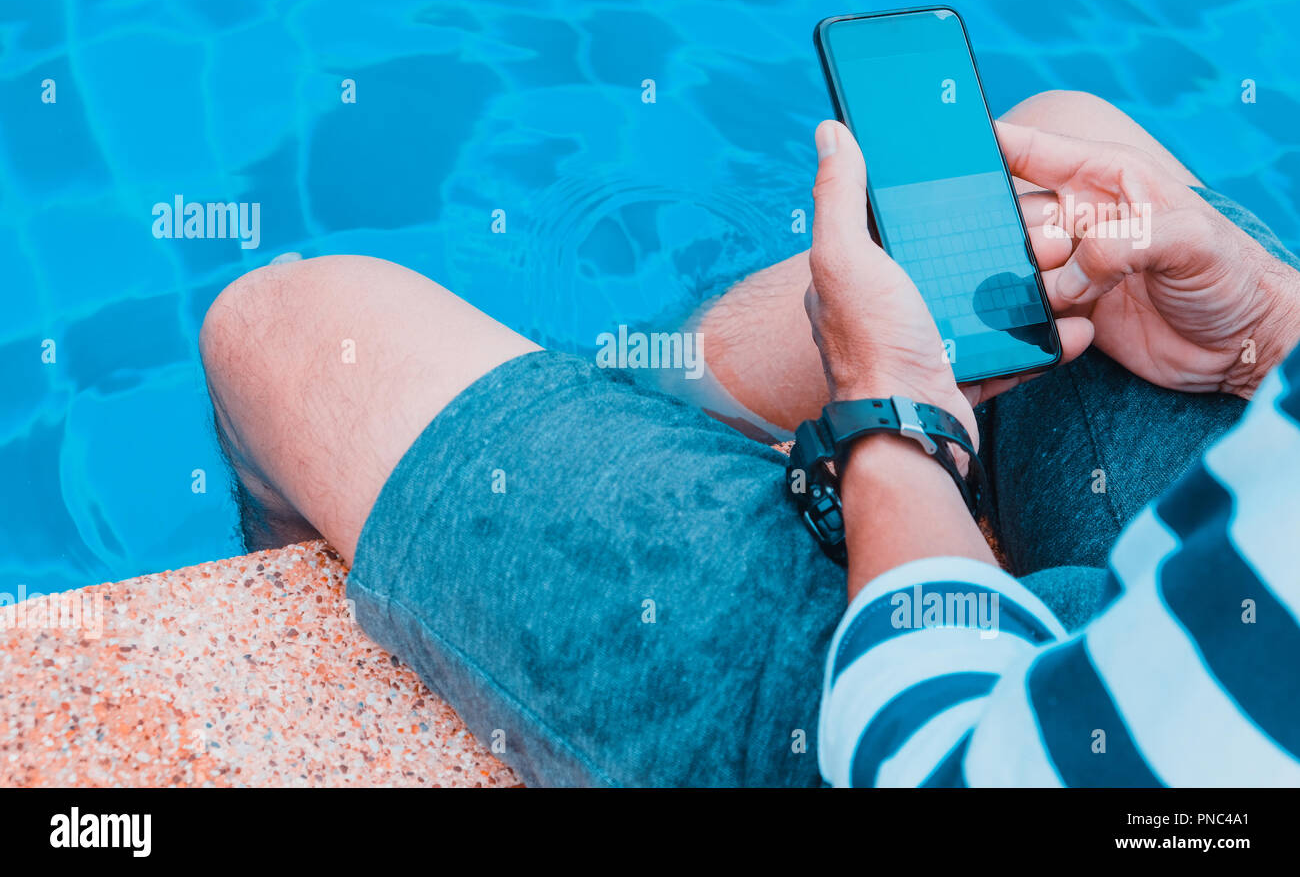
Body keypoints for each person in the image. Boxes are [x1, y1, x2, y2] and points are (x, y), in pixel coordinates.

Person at [199, 90, 1300, 786]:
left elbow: (935, 757)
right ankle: (650, 403)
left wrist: (893, 422)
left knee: (287, 328)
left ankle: (419, 584)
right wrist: (1262, 327)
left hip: (972, 721)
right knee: (1066, 157)